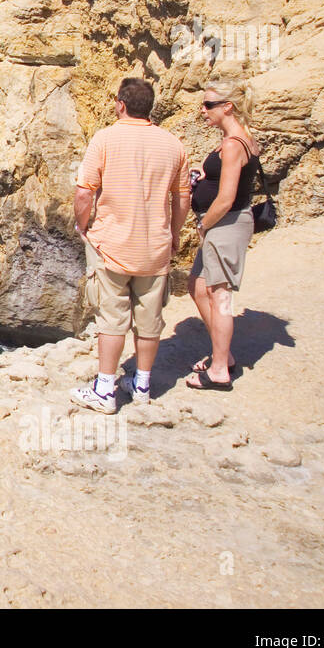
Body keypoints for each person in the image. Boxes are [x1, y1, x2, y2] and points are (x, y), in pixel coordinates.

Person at [71, 77, 192, 413]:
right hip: (155, 249)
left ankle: (106, 389)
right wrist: (175, 234)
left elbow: (84, 192)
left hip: (112, 247)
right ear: (149, 107)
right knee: (150, 319)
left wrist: (83, 226)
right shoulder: (173, 144)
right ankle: (141, 385)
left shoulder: (105, 139)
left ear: (120, 104)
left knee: (112, 318)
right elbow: (183, 197)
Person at [186, 78, 261, 390]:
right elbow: (224, 182)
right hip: (224, 224)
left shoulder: (232, 145)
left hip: (226, 224)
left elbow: (227, 197)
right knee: (197, 286)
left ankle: (219, 370)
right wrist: (204, 179)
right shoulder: (236, 140)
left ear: (227, 107)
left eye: (208, 105)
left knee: (220, 296)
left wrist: (204, 225)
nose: (203, 110)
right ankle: (223, 353)